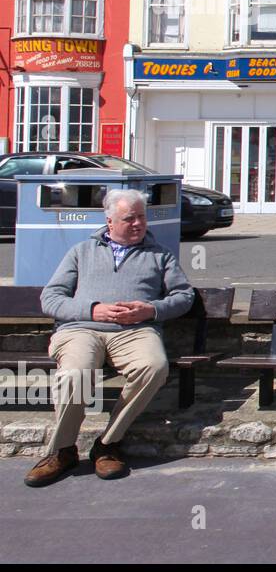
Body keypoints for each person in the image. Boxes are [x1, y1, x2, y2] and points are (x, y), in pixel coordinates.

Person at [26, 189, 195, 487]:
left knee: (154, 366)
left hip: (134, 331)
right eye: (129, 218)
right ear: (109, 221)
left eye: (141, 217)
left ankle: (108, 444)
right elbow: (50, 298)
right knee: (75, 374)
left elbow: (184, 297)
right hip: (81, 329)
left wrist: (151, 310)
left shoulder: (160, 255)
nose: (137, 223)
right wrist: (93, 310)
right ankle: (62, 451)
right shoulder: (81, 251)